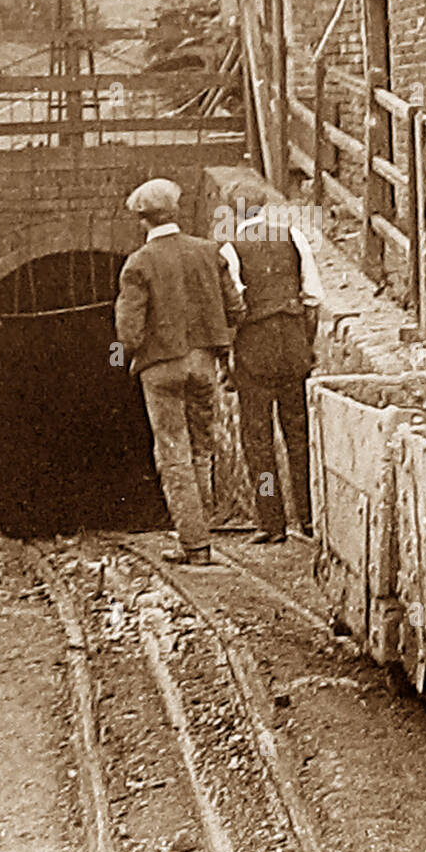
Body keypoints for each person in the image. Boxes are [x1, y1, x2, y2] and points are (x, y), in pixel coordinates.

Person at [115, 178, 243, 566]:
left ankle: (194, 543)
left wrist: (133, 355)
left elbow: (129, 331)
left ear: (143, 221)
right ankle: (201, 530)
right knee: (202, 448)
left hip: (161, 369)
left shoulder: (138, 263)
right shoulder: (210, 252)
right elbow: (236, 308)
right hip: (203, 365)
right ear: (176, 212)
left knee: (173, 453)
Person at [219, 188, 324, 543]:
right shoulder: (293, 237)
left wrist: (229, 359)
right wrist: (304, 345)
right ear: (263, 207)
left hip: (255, 356)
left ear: (233, 213)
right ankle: (309, 518)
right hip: (293, 350)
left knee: (258, 441)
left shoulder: (231, 249)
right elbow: (312, 298)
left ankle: (271, 522)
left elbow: (233, 309)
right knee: (299, 435)